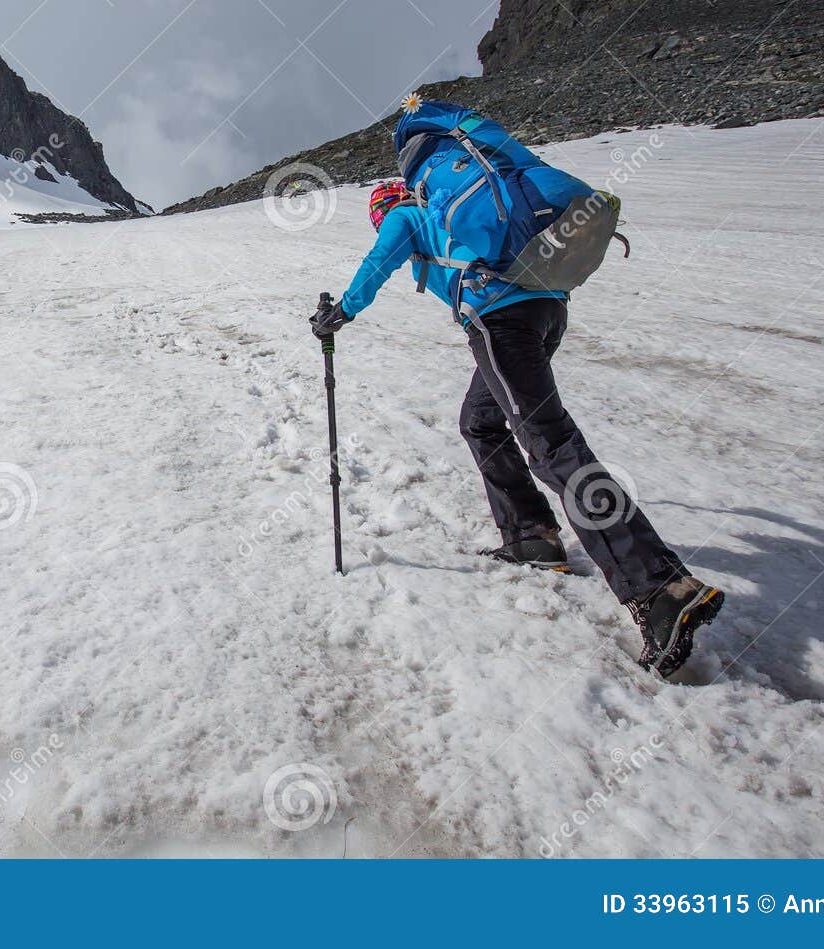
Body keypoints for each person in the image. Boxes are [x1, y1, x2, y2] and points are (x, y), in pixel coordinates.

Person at [310, 148, 724, 678]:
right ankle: (531, 536)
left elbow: (377, 264)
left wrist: (338, 313)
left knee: (551, 445)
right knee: (480, 421)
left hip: (501, 321)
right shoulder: (454, 216)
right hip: (544, 312)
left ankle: (659, 587)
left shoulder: (406, 215)